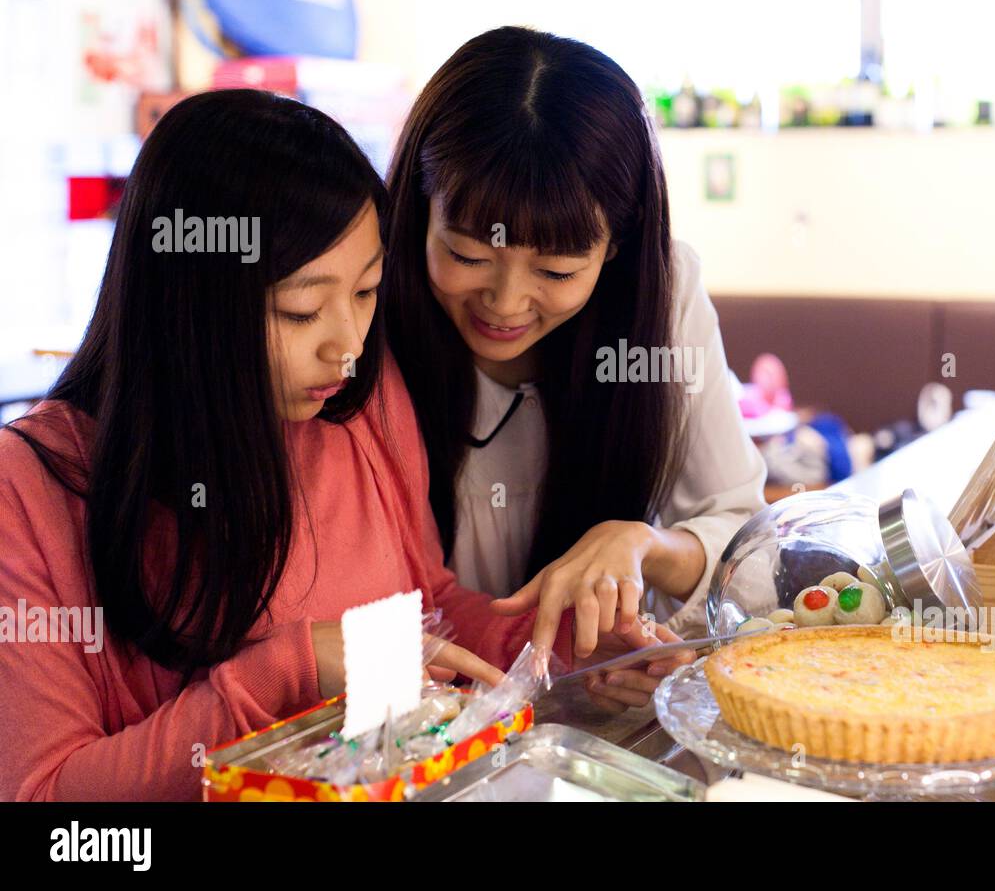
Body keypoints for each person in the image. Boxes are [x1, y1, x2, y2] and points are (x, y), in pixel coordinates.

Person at [0, 90, 681, 800]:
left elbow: (431, 608)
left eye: (366, 293)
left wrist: (562, 650)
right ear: (187, 306)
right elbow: (47, 802)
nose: (349, 347)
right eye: (300, 310)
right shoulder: (29, 489)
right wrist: (292, 668)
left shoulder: (359, 402)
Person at [383, 28, 768, 697]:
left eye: (555, 269)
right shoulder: (364, 308)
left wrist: (646, 547)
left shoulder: (660, 298)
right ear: (419, 214)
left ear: (616, 244)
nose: (504, 303)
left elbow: (752, 556)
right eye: (469, 256)